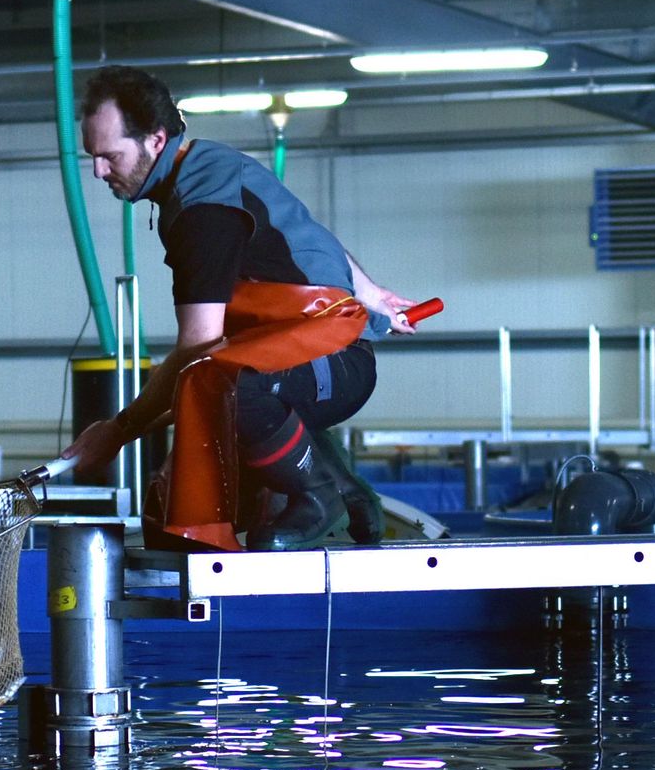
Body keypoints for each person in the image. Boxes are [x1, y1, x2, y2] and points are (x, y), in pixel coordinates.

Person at [64, 65, 421, 552]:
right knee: (226, 383)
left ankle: (318, 496)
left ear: (156, 140)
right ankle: (345, 489)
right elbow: (306, 229)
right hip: (306, 351)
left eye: (109, 156)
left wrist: (118, 430)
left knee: (223, 380)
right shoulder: (210, 163)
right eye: (93, 158)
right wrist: (370, 290)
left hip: (332, 363)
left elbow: (198, 352)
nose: (99, 172)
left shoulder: (202, 210)